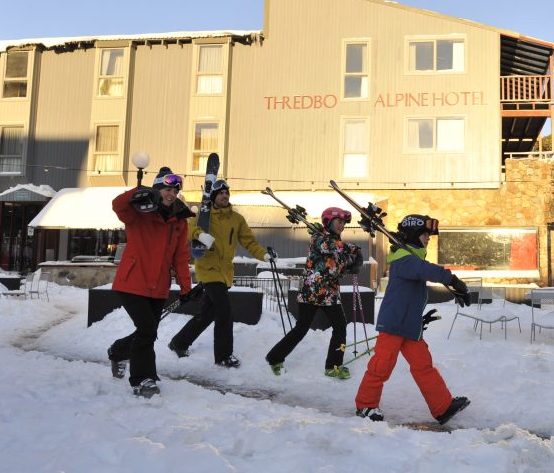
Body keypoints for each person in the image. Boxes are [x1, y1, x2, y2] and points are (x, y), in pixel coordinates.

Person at [354, 213, 471, 424]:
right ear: (414, 234)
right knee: (382, 365)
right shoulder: (404, 260)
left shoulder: (411, 259)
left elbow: (412, 292)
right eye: (425, 234)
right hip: (393, 324)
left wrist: (418, 317)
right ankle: (365, 405)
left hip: (409, 325)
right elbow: (424, 270)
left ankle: (442, 407)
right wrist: (453, 280)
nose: (428, 239)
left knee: (423, 365)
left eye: (429, 235)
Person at [107, 167, 194, 398]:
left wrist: (186, 287)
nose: (171, 194)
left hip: (158, 286)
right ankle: (142, 379)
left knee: (148, 332)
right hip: (132, 282)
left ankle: (118, 351)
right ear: (156, 190)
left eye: (175, 190)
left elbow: (181, 257)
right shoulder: (139, 211)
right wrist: (138, 190)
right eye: (166, 189)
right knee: (147, 329)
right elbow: (118, 205)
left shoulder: (179, 221)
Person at [167, 179, 268, 367]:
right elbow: (187, 230)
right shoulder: (205, 215)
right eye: (220, 193)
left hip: (225, 273)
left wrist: (264, 255)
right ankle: (223, 356)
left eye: (226, 193)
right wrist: (199, 233)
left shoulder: (237, 219)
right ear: (213, 197)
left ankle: (179, 342)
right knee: (224, 312)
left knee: (207, 314)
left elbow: (249, 242)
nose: (224, 196)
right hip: (208, 269)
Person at [265, 207, 363, 379]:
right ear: (328, 222)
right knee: (302, 328)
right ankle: (275, 358)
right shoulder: (318, 238)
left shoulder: (337, 243)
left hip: (329, 293)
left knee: (340, 328)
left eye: (343, 223)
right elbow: (330, 247)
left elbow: (335, 266)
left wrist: (351, 264)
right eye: (338, 222)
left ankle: (333, 367)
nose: (341, 226)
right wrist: (353, 249)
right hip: (312, 291)